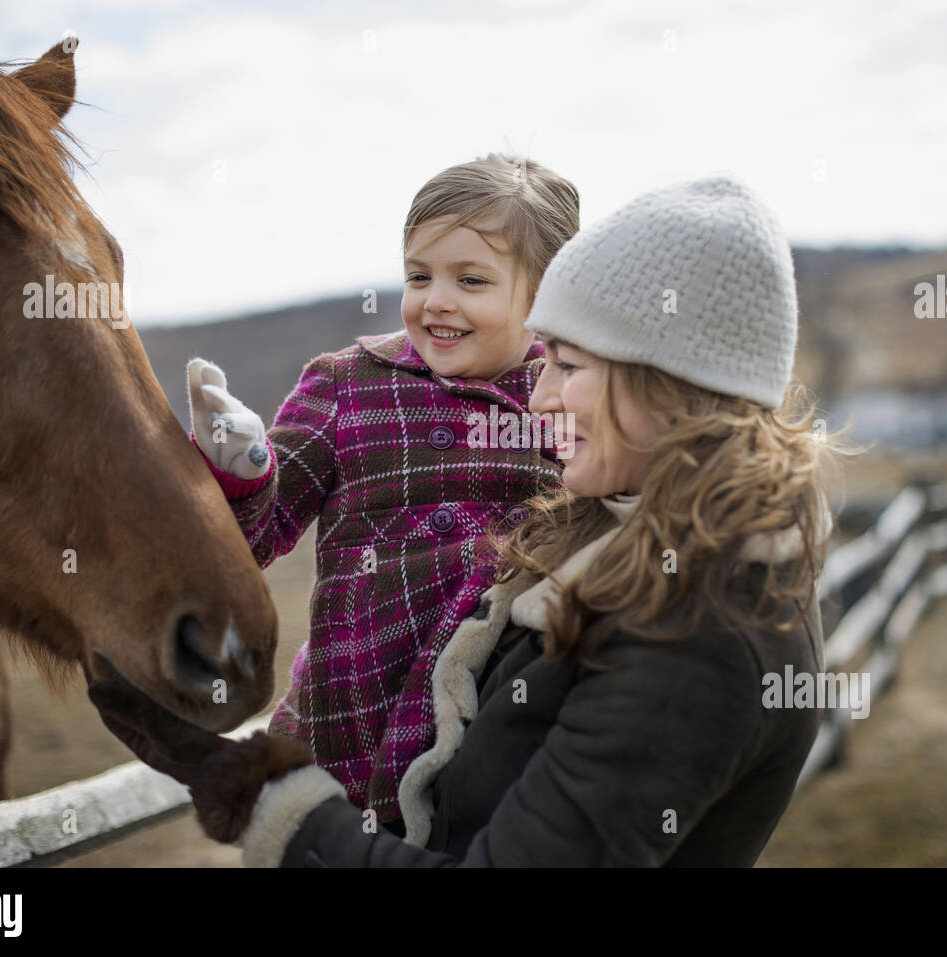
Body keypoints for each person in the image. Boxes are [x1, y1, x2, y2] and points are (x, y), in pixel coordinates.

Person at [91, 175, 849, 866]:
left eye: (571, 364)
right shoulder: (622, 533)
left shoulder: (701, 628)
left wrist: (261, 795)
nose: (540, 395)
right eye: (419, 274)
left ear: (670, 383)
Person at [181, 154, 580, 831]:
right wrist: (241, 469)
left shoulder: (565, 399)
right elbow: (260, 530)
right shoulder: (350, 383)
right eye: (419, 275)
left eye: (471, 279)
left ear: (544, 298)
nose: (437, 300)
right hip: (347, 724)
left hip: (495, 733)